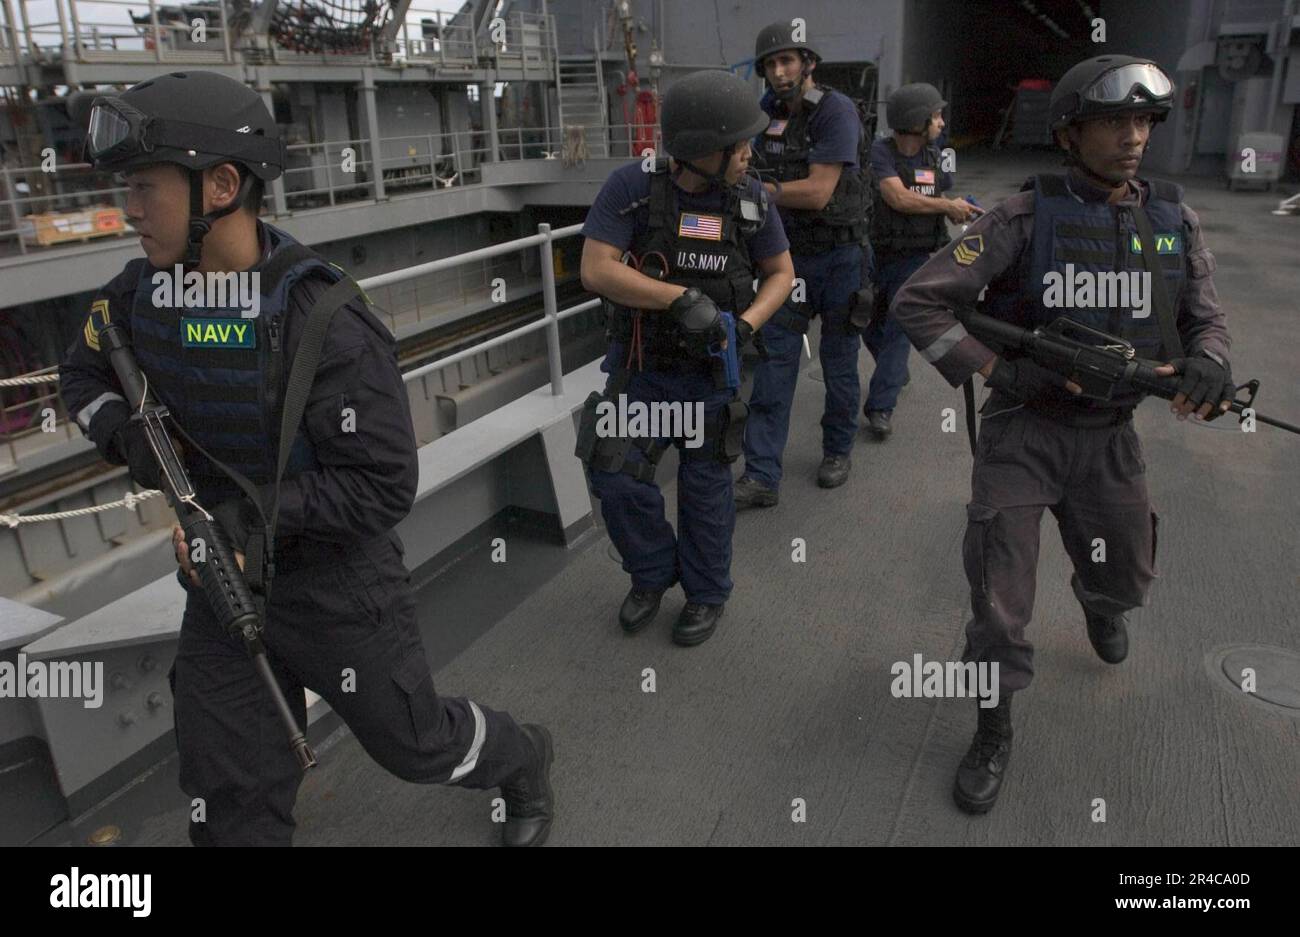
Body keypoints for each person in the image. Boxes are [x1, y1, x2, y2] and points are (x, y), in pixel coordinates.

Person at [60, 71, 554, 846]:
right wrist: (133, 441)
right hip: (221, 586)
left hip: (337, 586)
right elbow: (83, 375)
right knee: (229, 798)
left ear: (220, 185)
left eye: (146, 188)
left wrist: (246, 519)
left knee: (416, 745)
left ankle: (521, 754)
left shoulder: (324, 321)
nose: (130, 210)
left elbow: (383, 483)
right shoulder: (137, 298)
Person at [890, 55, 1233, 814]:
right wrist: (999, 373)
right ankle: (993, 724)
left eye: (1144, 122)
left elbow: (1204, 315)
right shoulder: (1021, 217)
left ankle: (1098, 599)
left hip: (1111, 437)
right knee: (999, 600)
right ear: (1072, 134)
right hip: (1023, 434)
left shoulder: (1175, 220)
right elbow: (919, 303)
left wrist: (1209, 361)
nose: (1134, 137)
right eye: (1116, 122)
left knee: (1128, 574)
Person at [578, 69, 793, 645]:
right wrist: (681, 300)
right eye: (738, 145)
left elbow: (781, 273)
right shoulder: (633, 189)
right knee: (613, 471)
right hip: (642, 369)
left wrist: (743, 323)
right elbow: (596, 268)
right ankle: (651, 574)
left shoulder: (751, 201)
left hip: (709, 379)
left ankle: (705, 593)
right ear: (701, 152)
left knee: (705, 489)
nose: (749, 154)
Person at [733, 20, 870, 505]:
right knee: (773, 367)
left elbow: (817, 192)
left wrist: (761, 192)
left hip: (839, 258)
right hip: (786, 262)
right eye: (770, 63)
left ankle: (837, 451)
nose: (778, 70)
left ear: (807, 64)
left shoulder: (837, 111)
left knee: (838, 364)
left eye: (787, 60)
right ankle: (762, 476)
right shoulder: (765, 112)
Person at [862, 83, 978, 439]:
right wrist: (947, 206)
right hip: (876, 251)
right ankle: (893, 372)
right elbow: (897, 197)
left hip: (916, 256)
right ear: (916, 121)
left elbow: (939, 194)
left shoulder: (936, 153)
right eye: (936, 116)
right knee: (866, 320)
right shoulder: (881, 152)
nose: (941, 123)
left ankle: (881, 406)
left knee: (899, 326)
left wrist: (958, 209)